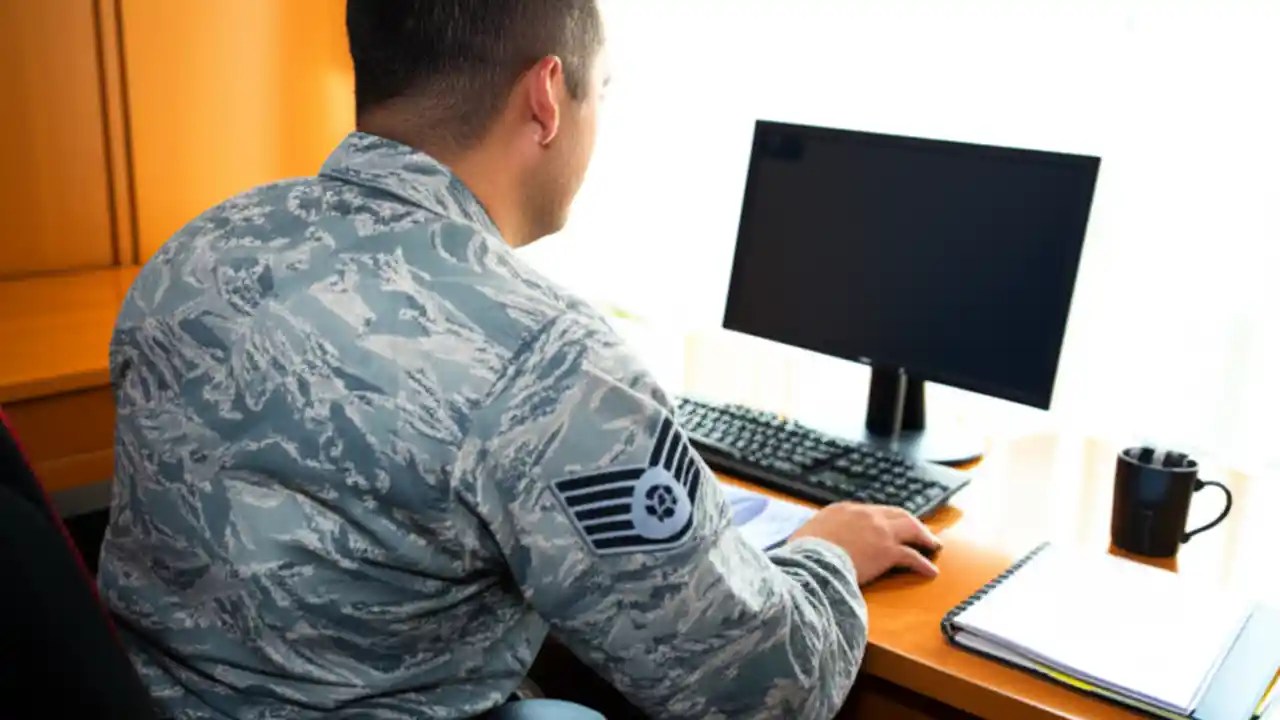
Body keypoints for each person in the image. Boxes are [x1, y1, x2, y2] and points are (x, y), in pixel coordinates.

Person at [97, 1, 942, 718]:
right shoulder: (546, 361)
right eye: (600, 89)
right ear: (546, 96)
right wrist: (827, 552)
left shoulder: (196, 252)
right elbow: (766, 689)